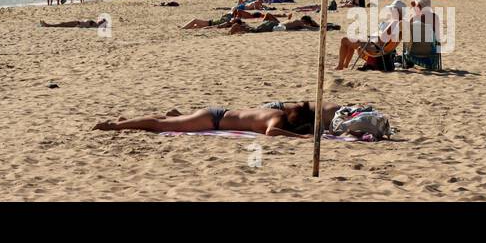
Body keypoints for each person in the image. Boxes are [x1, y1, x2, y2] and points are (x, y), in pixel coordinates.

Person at [93, 101, 331, 138]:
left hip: (218, 114)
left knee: (167, 121)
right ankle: (114, 125)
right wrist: (301, 137)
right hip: (213, 122)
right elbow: (272, 134)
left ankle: (128, 120)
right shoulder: (278, 121)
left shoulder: (277, 113)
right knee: (159, 126)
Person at [336, 0, 405, 70]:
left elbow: (382, 40)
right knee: (351, 40)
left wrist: (370, 39)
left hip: (374, 48)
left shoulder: (393, 24)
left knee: (344, 40)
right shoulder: (400, 26)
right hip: (382, 49)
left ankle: (340, 66)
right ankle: (345, 65)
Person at [41, 18, 107, 28]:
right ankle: (47, 25)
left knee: (63, 24)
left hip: (77, 23)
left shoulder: (95, 25)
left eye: (102, 21)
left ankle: (47, 25)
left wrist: (80, 26)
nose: (100, 20)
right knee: (63, 24)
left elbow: (86, 25)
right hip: (77, 23)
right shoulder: (95, 24)